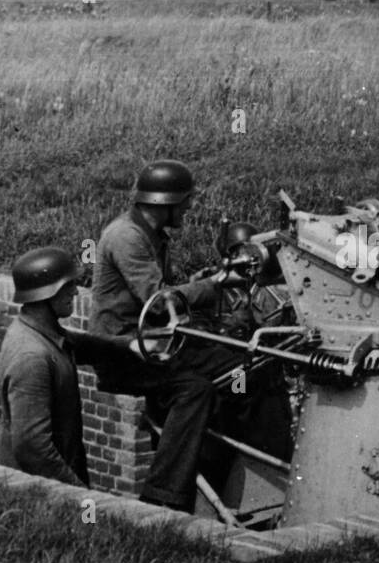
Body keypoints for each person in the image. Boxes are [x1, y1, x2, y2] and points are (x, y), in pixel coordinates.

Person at [89, 160, 274, 512]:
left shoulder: (149, 234)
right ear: (165, 202)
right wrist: (212, 286)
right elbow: (159, 302)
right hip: (127, 351)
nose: (189, 209)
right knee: (244, 368)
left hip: (152, 342)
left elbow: (168, 297)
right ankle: (235, 478)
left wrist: (202, 283)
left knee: (220, 377)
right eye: (185, 202)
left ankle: (204, 482)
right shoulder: (126, 236)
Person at [0, 246, 142, 487]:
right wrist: (80, 494)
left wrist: (132, 346)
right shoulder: (31, 357)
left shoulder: (39, 332)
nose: (75, 292)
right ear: (45, 294)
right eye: (67, 286)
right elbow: (33, 449)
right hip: (33, 492)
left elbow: (81, 345)